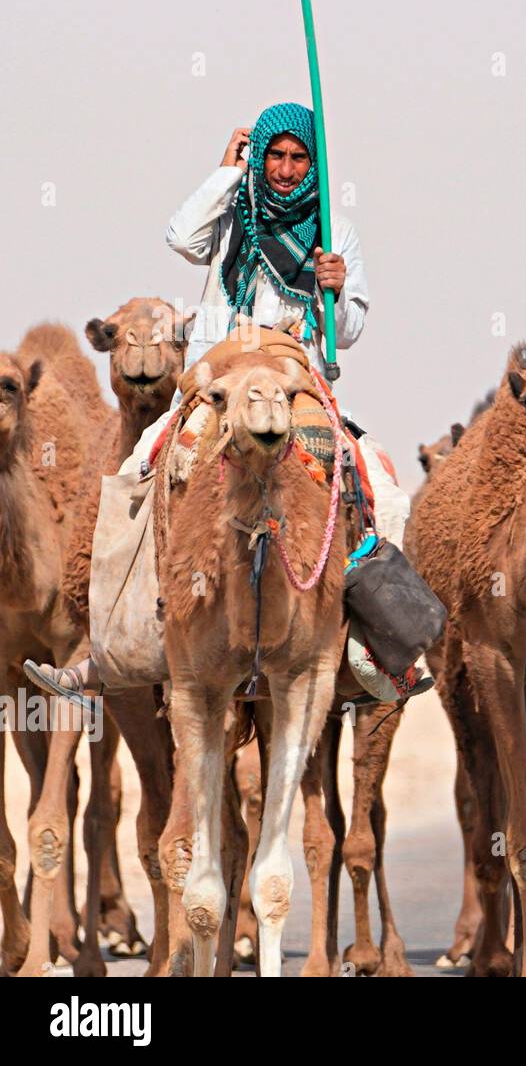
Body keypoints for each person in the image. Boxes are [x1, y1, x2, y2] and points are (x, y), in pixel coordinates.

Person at [26, 102, 427, 705]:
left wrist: (336, 286)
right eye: (275, 155)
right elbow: (179, 238)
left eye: (299, 157)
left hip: (295, 385)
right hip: (217, 378)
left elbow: (346, 332)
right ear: (258, 155)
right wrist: (226, 174)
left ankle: (377, 653)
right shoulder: (230, 215)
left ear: (314, 164)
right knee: (137, 477)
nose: (287, 169)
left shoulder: (333, 233)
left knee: (380, 488)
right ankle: (107, 651)